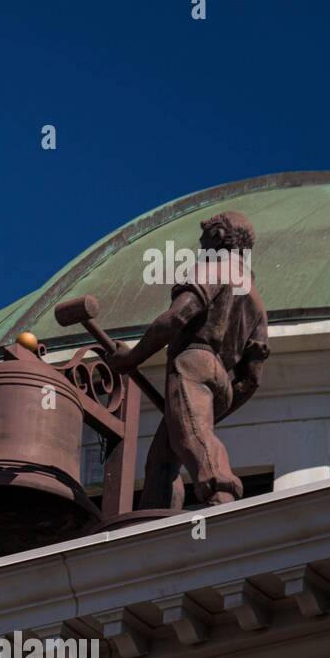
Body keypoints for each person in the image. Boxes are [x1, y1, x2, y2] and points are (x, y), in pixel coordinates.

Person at [106, 212, 270, 509]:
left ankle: (222, 497)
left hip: (192, 364)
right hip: (221, 381)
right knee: (162, 461)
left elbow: (177, 317)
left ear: (219, 236)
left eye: (204, 238)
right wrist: (220, 405)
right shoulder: (256, 300)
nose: (200, 244)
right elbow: (252, 378)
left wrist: (131, 357)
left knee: (194, 439)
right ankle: (153, 524)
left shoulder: (214, 269)